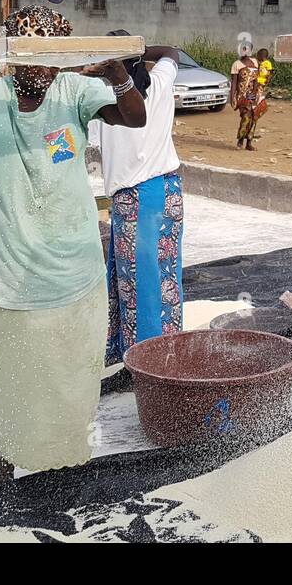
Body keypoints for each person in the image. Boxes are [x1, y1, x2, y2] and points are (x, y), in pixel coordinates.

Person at [0, 5, 146, 484]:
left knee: (73, 365)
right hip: (16, 261)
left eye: (49, 58)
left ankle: (66, 452)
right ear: (13, 55)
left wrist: (118, 71)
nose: (39, 71)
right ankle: (12, 454)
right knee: (22, 370)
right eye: (29, 58)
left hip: (76, 259)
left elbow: (134, 118)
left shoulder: (74, 91)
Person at [94, 34, 186, 363]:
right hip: (166, 191)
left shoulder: (105, 97)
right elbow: (172, 50)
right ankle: (140, 354)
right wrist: (139, 50)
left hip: (139, 198)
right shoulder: (158, 80)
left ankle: (151, 362)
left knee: (144, 285)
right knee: (149, 277)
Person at [232, 49, 265, 150]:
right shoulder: (236, 64)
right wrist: (232, 97)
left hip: (254, 94)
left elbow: (257, 79)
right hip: (242, 95)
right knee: (245, 117)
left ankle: (249, 142)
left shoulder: (255, 62)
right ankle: (241, 140)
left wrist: (255, 92)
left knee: (254, 118)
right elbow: (234, 82)